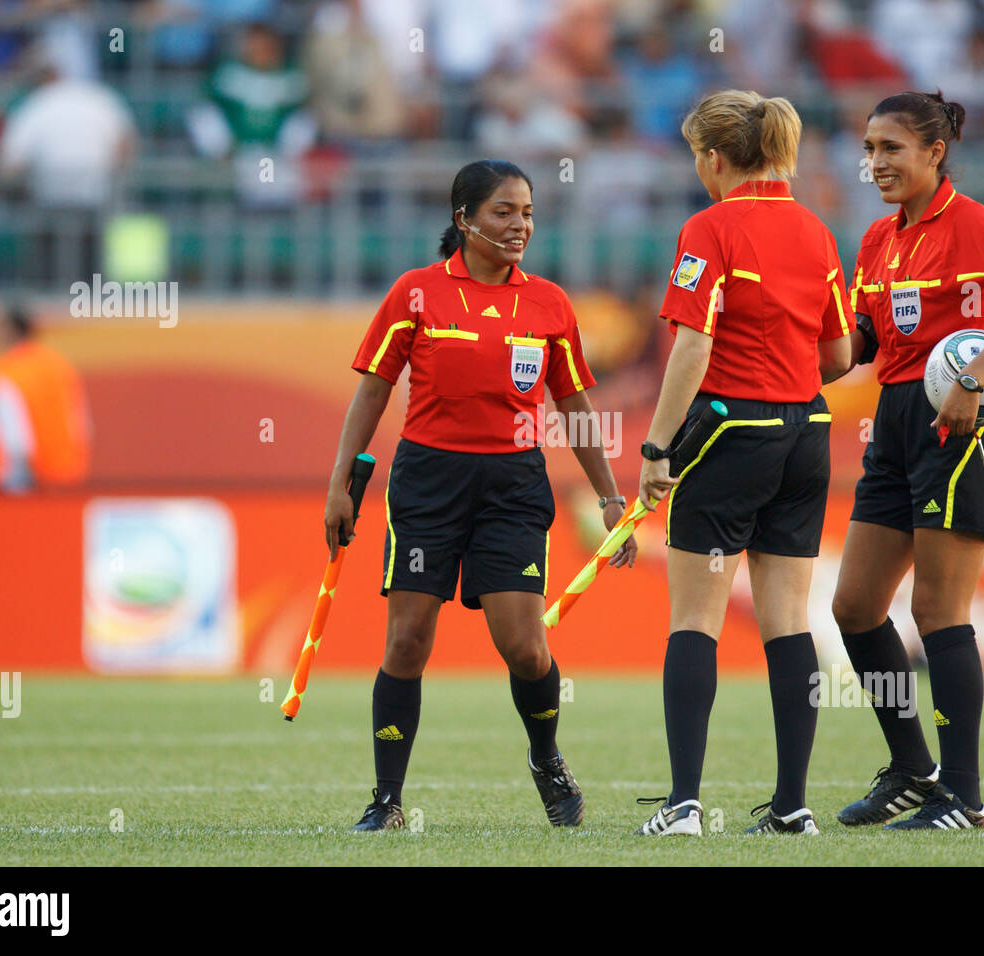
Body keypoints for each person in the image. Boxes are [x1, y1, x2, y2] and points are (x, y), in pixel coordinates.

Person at [326, 159, 636, 830]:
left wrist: (610, 497)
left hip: (514, 484)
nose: (519, 224)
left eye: (526, 212)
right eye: (503, 212)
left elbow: (576, 404)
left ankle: (546, 756)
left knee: (525, 647)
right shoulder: (416, 293)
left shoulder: (549, 303)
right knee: (407, 642)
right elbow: (372, 390)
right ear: (463, 219)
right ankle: (387, 800)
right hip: (428, 482)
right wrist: (339, 484)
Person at [633, 90, 854, 837]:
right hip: (808, 433)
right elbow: (840, 355)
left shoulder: (710, 227)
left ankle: (685, 805)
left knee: (695, 617)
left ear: (715, 156)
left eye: (697, 156)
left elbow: (691, 348)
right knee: (788, 621)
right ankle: (793, 807)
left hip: (731, 432)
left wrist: (658, 449)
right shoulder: (817, 231)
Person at [831, 91, 984, 830]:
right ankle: (912, 769)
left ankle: (964, 794)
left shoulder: (971, 223)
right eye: (869, 149)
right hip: (894, 422)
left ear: (935, 152)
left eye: (891, 147)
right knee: (855, 607)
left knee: (935, 610)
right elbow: (859, 342)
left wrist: (972, 379)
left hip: (960, 422)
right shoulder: (875, 239)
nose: (876, 162)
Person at [0, 305, 92, 494]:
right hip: (67, 475)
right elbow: (82, 423)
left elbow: (14, 434)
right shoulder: (59, 366)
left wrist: (20, 477)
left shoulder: (4, 372)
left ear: (11, 330)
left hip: (24, 481)